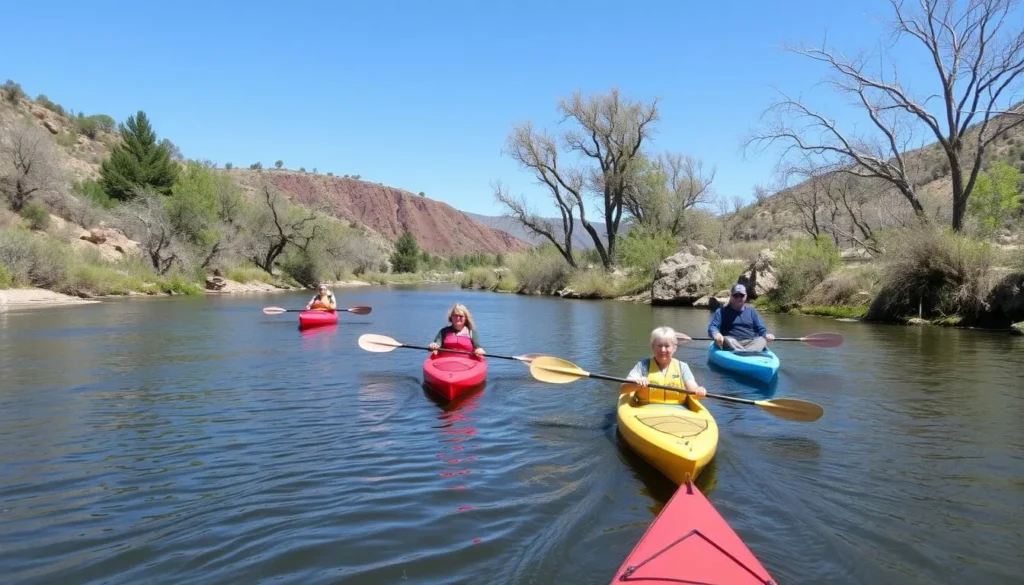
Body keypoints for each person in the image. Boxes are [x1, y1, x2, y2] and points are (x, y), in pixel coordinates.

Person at [626, 326, 707, 399]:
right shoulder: (642, 366)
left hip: (677, 412)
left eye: (667, 346)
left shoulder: (682, 367)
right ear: (652, 347)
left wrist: (699, 390)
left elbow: (693, 389)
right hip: (645, 411)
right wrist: (637, 383)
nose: (663, 350)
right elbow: (624, 388)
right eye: (659, 346)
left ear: (674, 348)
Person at [708, 283, 775, 352]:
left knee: (762, 339)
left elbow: (760, 328)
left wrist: (765, 335)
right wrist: (716, 333)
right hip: (731, 343)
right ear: (731, 296)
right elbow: (713, 327)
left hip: (751, 343)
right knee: (727, 339)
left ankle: (745, 352)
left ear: (745, 296)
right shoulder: (721, 311)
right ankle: (747, 353)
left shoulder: (752, 311)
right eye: (735, 295)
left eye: (742, 295)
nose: (739, 298)